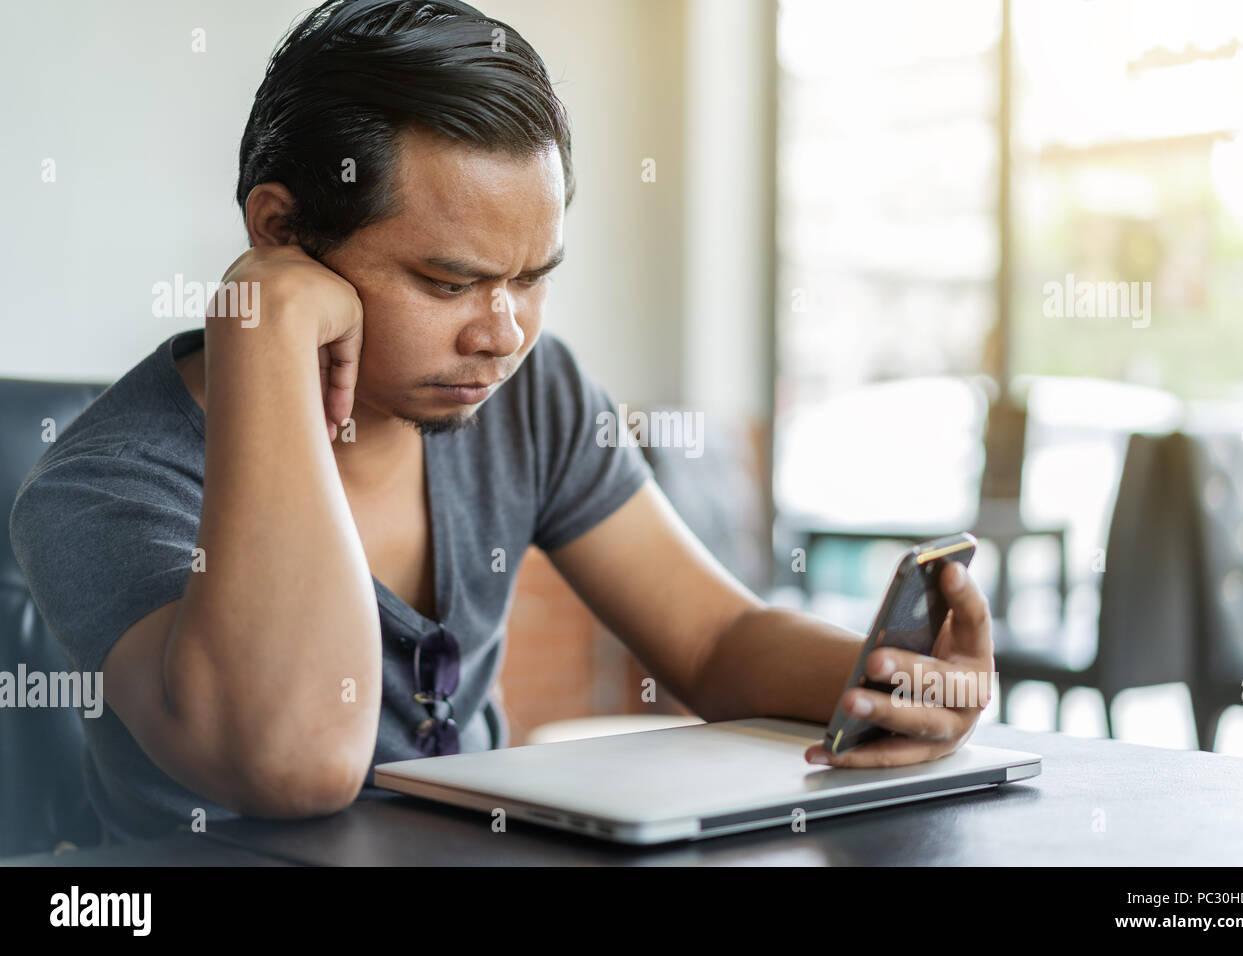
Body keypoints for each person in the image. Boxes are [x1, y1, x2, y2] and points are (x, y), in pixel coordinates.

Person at [9, 0, 994, 843]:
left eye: (532, 278)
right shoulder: (99, 487)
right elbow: (296, 760)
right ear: (279, 231)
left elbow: (714, 637)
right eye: (449, 281)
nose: (502, 332)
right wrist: (258, 321)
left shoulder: (533, 394)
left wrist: (885, 683)